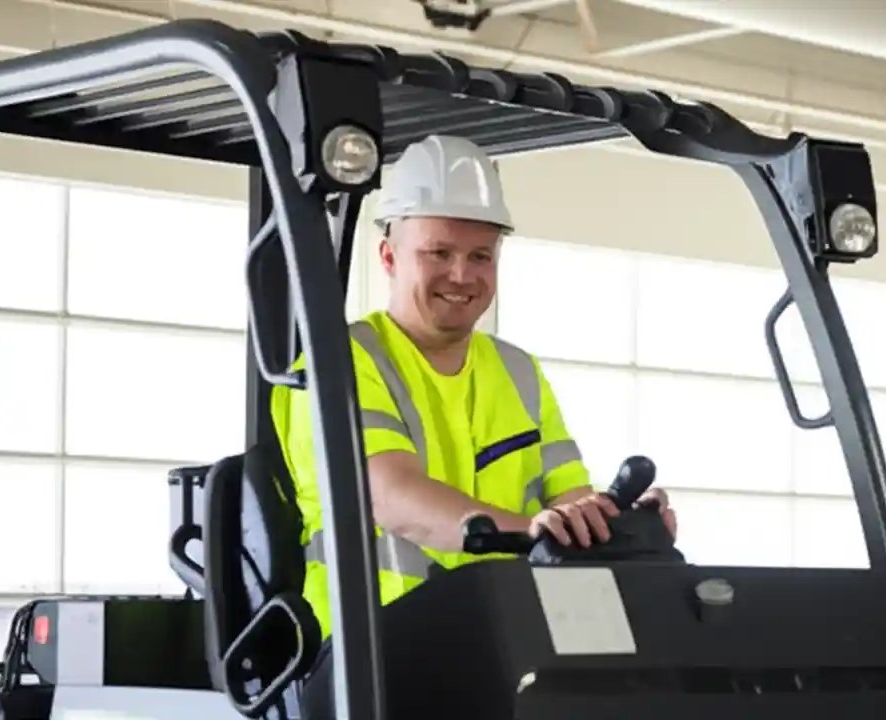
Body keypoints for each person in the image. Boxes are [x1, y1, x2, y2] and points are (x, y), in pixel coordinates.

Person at [271, 134, 678, 638]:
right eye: (438, 252)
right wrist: (532, 533)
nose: (461, 275)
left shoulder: (518, 371)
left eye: (480, 256)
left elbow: (569, 506)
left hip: (498, 642)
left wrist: (617, 526)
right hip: (374, 654)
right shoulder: (339, 363)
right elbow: (391, 497)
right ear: (390, 257)